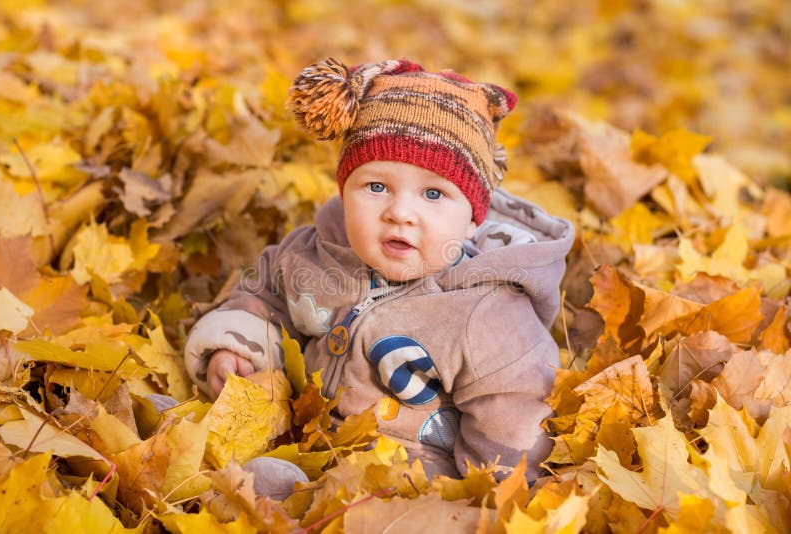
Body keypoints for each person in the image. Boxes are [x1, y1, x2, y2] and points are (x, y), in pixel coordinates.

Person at [184, 58, 574, 485]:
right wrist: (237, 349)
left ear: (471, 220)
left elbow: (513, 412)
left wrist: (483, 494)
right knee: (199, 444)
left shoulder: (489, 313)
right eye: (376, 187)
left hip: (408, 474)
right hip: (300, 427)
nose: (400, 212)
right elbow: (266, 299)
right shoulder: (315, 253)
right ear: (345, 193)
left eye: (433, 194)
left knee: (295, 489)